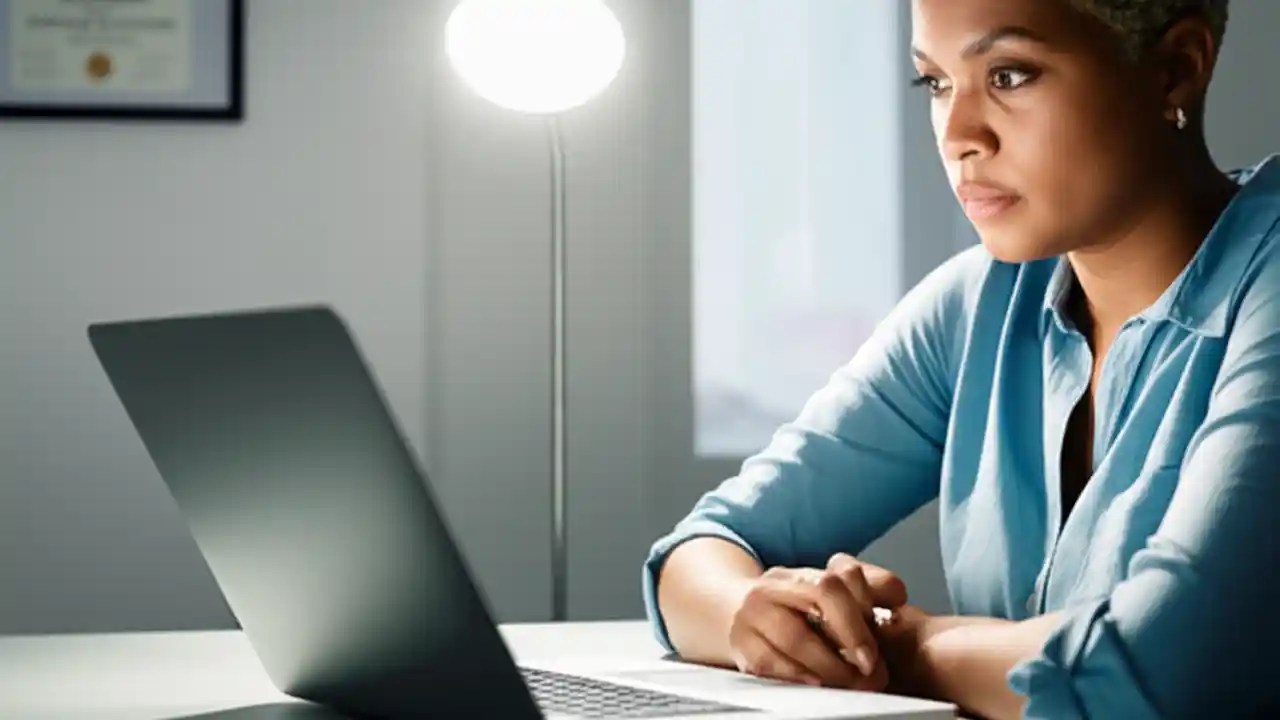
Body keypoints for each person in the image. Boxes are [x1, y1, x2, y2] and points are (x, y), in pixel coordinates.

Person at [642, 0, 1279, 718]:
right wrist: (751, 614)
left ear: (1174, 70)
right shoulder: (978, 304)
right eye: (936, 83)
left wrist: (893, 643)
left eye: (1009, 75)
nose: (959, 134)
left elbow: (1165, 668)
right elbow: (703, 548)